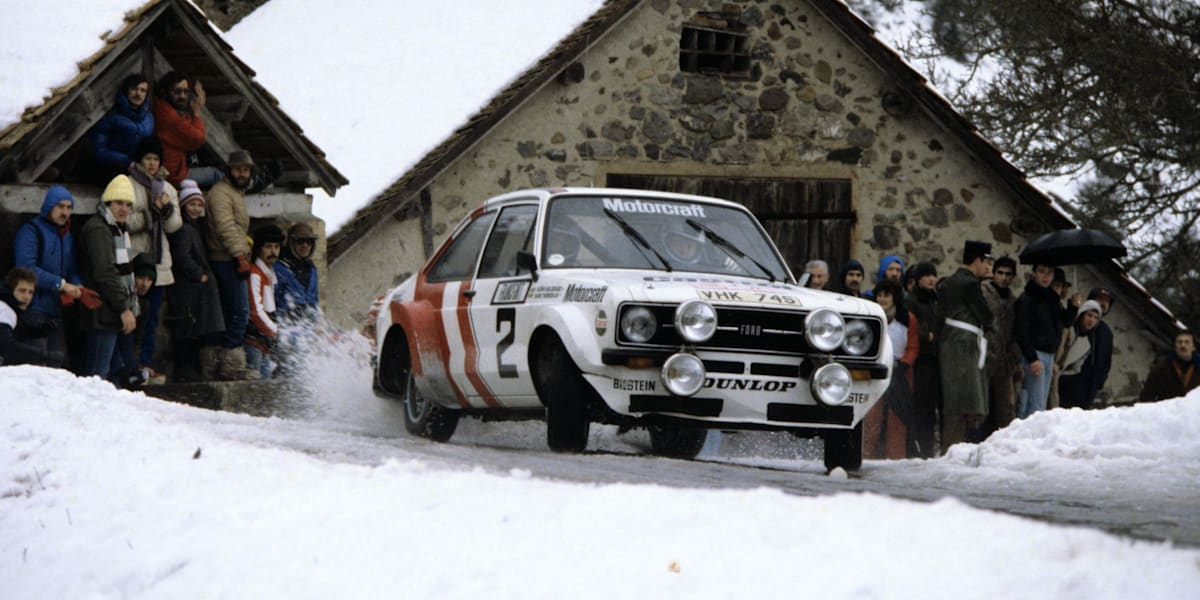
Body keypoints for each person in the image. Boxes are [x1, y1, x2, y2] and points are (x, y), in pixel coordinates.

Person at [126, 136, 182, 378]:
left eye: (156, 159)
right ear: (140, 160)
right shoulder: (128, 184)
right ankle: (129, 363)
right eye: (148, 158)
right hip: (136, 258)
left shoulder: (167, 188)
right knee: (132, 314)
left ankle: (146, 363)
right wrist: (150, 214)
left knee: (152, 320)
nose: (152, 164)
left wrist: (166, 211)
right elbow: (124, 220)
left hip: (159, 263)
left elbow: (175, 225)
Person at [13, 186, 86, 368]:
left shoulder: (66, 235)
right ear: (49, 206)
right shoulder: (31, 231)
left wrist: (77, 285)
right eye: (60, 206)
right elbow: (26, 268)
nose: (65, 212)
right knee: (36, 365)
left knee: (57, 364)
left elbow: (71, 268)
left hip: (56, 311)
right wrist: (61, 284)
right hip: (33, 308)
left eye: (69, 207)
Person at [77, 175, 139, 378]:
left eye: (128, 204)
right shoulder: (99, 229)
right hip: (101, 310)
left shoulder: (118, 229)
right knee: (97, 376)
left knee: (109, 374)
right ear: (108, 203)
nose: (124, 209)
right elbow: (105, 272)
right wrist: (124, 308)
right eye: (119, 203)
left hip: (108, 311)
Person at [937, 241, 994, 452]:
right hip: (964, 345)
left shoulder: (949, 282)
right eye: (986, 261)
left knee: (955, 402)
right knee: (966, 403)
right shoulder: (969, 284)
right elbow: (986, 316)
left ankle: (952, 446)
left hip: (950, 342)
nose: (987, 266)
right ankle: (956, 448)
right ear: (977, 260)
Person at [206, 150, 258, 380]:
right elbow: (225, 227)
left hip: (231, 257)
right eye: (238, 169)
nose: (242, 174)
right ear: (229, 170)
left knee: (231, 312)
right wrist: (240, 256)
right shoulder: (221, 194)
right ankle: (230, 365)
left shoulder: (234, 192)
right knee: (239, 313)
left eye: (246, 170)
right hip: (227, 259)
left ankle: (221, 364)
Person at [166, 180, 225, 381]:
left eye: (199, 205)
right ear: (183, 206)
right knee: (187, 328)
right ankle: (185, 369)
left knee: (194, 328)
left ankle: (191, 369)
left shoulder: (195, 228)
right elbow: (182, 256)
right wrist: (198, 273)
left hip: (194, 287)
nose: (196, 209)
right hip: (187, 287)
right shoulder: (183, 229)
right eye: (192, 204)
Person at [1014, 262, 1081, 418]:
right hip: (1035, 354)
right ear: (1034, 273)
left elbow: (1065, 322)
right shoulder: (1027, 298)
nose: (1045, 276)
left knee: (1041, 402)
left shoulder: (1052, 299)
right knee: (1034, 403)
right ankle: (1028, 432)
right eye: (1041, 271)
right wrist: (1032, 358)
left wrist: (1073, 307)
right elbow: (1021, 332)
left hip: (1050, 355)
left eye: (1049, 272)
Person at [862, 279, 919, 459]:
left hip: (901, 371)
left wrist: (904, 364)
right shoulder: (871, 316)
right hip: (876, 370)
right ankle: (866, 455)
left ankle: (895, 457)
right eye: (879, 295)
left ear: (895, 298)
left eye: (886, 295)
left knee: (897, 417)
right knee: (872, 415)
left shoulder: (908, 319)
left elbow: (913, 346)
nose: (882, 299)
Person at [975, 256, 1023, 440]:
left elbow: (1017, 330)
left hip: (1005, 362)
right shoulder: (983, 293)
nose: (1003, 277)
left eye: (1008, 274)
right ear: (993, 273)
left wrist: (1014, 355)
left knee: (1006, 408)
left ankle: (1004, 444)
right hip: (984, 358)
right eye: (1000, 273)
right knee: (981, 408)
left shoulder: (1013, 300)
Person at [153, 71, 217, 188]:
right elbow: (198, 139)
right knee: (215, 174)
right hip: (173, 175)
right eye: (177, 91)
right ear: (164, 92)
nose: (182, 96)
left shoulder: (161, 106)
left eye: (185, 91)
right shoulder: (169, 116)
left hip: (178, 167)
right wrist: (196, 114)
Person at [88, 74, 155, 181]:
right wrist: (124, 160)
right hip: (112, 171)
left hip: (139, 171)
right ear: (126, 90)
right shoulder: (111, 116)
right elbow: (98, 149)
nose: (138, 93)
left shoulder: (149, 118)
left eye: (143, 90)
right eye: (134, 89)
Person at [904, 261, 940, 457]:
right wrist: (928, 334)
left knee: (930, 406)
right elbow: (913, 324)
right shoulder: (912, 300)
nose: (931, 279)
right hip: (921, 359)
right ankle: (916, 448)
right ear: (918, 279)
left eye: (933, 275)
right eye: (927, 275)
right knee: (919, 404)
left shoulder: (935, 300)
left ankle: (928, 448)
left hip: (934, 358)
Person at [0, 267, 64, 367]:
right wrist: (44, 356)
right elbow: (6, 346)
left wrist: (44, 329)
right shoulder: (4, 309)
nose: (27, 297)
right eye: (22, 291)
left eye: (31, 292)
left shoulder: (12, 310)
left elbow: (22, 330)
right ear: (10, 290)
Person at [245, 225, 285, 379]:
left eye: (276, 247)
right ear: (259, 249)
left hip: (264, 342)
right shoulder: (255, 274)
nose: (273, 251)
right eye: (268, 247)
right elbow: (255, 311)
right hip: (254, 341)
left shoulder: (268, 273)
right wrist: (274, 330)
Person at [1055, 299, 1105, 409]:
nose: (1091, 320)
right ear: (1081, 314)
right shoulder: (1067, 329)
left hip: (1059, 378)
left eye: (1095, 318)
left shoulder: (1087, 344)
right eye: (1089, 315)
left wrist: (1061, 375)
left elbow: (1076, 368)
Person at [1139, 331, 1200, 402]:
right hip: (1168, 408)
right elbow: (1146, 398)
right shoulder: (1160, 370)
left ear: (1193, 347)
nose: (1183, 345)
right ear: (1175, 347)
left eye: (1187, 342)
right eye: (1179, 342)